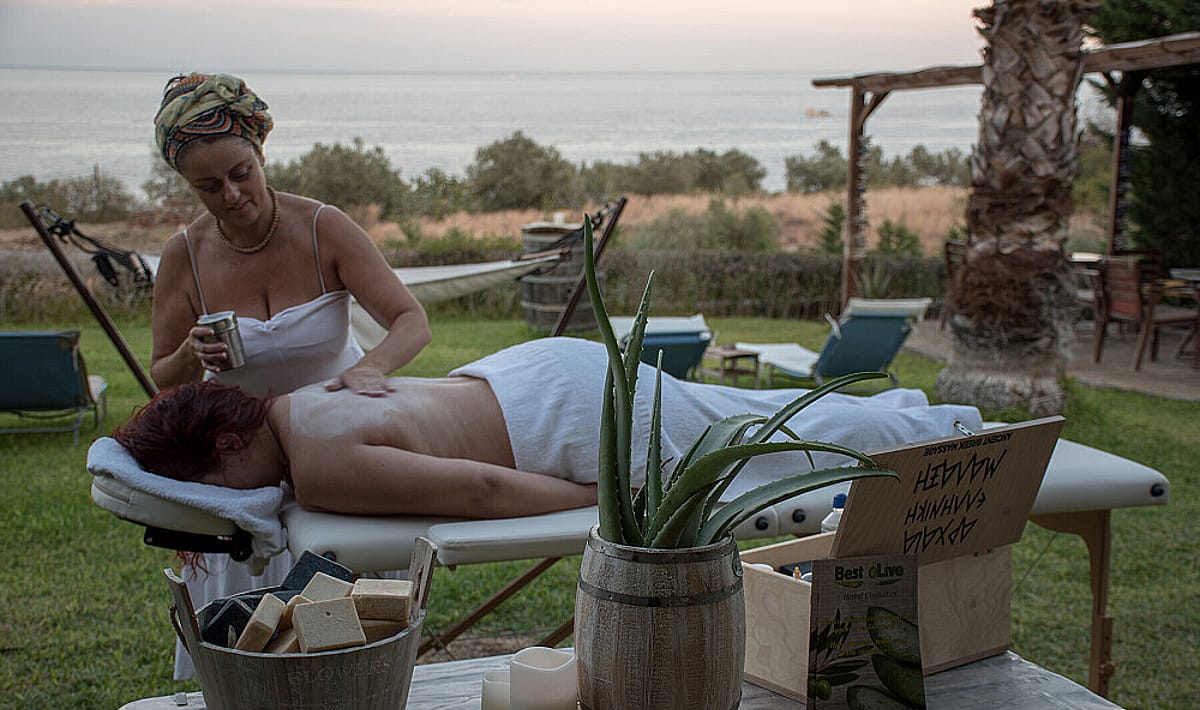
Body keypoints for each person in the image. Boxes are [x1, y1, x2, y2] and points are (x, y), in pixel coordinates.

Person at [149, 72, 431, 677]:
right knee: (249, 645)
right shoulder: (185, 254)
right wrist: (190, 355)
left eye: (240, 173)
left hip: (335, 444)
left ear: (261, 153)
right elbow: (161, 378)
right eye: (208, 186)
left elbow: (411, 321)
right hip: (241, 464)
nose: (230, 194)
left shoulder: (323, 227)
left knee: (343, 644)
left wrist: (370, 368)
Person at [114, 338, 984, 518]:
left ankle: (942, 429)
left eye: (207, 483)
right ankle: (908, 415)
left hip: (563, 414)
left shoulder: (320, 464)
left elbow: (479, 487)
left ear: (225, 443)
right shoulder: (301, 401)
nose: (222, 497)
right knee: (743, 417)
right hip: (530, 370)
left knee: (754, 449)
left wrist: (594, 493)